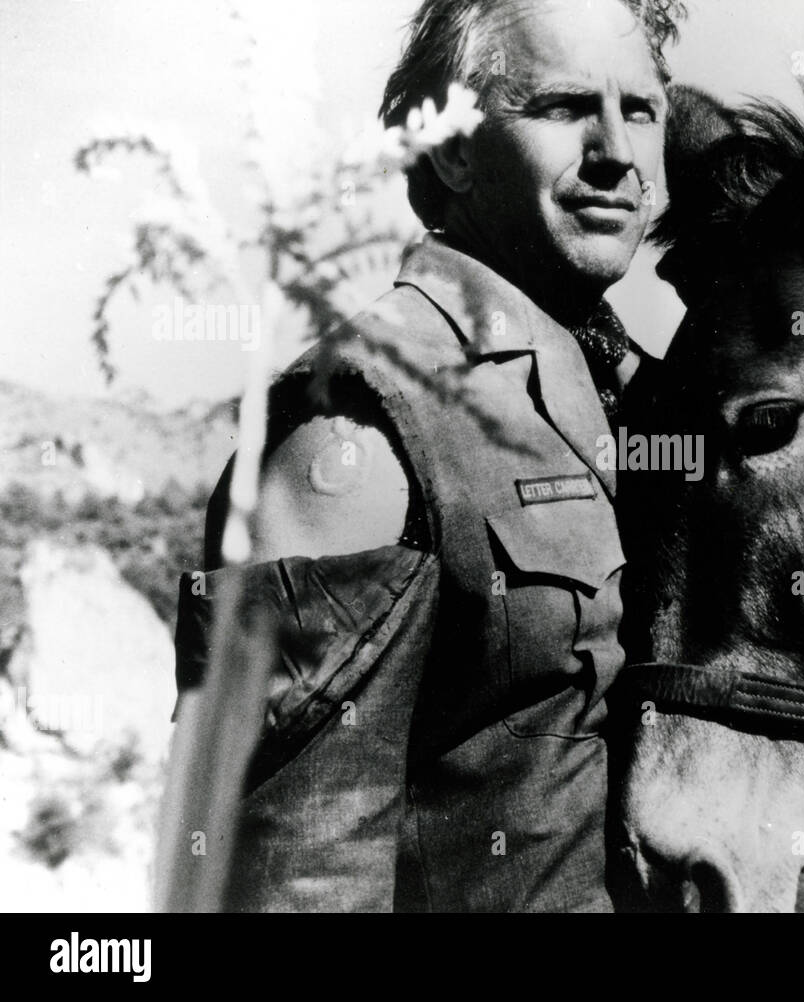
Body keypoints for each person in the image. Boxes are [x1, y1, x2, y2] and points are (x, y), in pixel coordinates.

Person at [174, 0, 681, 912]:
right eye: (564, 107)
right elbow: (292, 875)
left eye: (639, 110)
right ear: (451, 150)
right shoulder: (360, 421)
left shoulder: (644, 392)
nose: (617, 151)